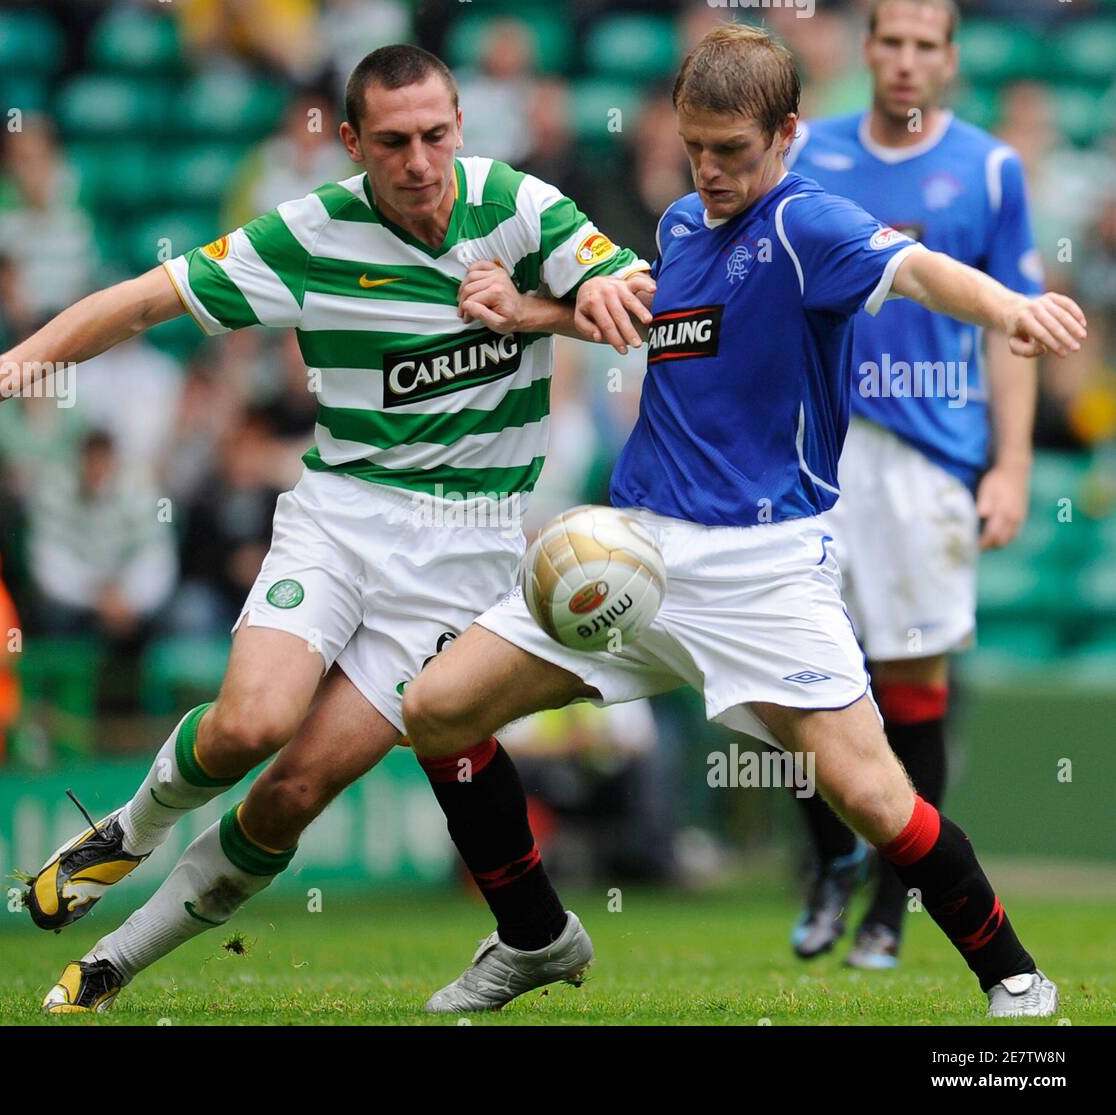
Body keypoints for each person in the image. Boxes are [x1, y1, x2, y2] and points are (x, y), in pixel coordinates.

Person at [0, 44, 654, 1014]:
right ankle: (128, 830)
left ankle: (111, 964)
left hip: (463, 553)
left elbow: (653, 305)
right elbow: (143, 298)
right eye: (392, 142)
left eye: (435, 135)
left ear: (460, 126)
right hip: (341, 516)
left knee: (291, 791)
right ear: (350, 143)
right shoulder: (312, 231)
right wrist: (7, 369)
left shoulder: (520, 208)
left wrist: (543, 308)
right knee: (251, 720)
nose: (419, 161)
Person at [401, 23, 1085, 1018]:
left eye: (735, 150)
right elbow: (657, 323)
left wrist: (1008, 310)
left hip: (763, 570)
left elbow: (920, 271)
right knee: (435, 708)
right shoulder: (680, 224)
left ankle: (1013, 975)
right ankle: (534, 933)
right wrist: (528, 312)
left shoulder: (811, 227)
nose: (712, 171)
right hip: (631, 554)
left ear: (788, 134)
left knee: (878, 801)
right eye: (696, 148)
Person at [782, 0, 1044, 969]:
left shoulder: (987, 167)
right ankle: (826, 862)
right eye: (887, 41)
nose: (902, 61)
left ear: (948, 59)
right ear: (866, 50)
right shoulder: (806, 152)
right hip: (819, 449)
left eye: (922, 45)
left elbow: (1010, 322)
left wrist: (1010, 464)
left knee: (912, 684)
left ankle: (891, 910)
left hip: (931, 457)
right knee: (797, 669)